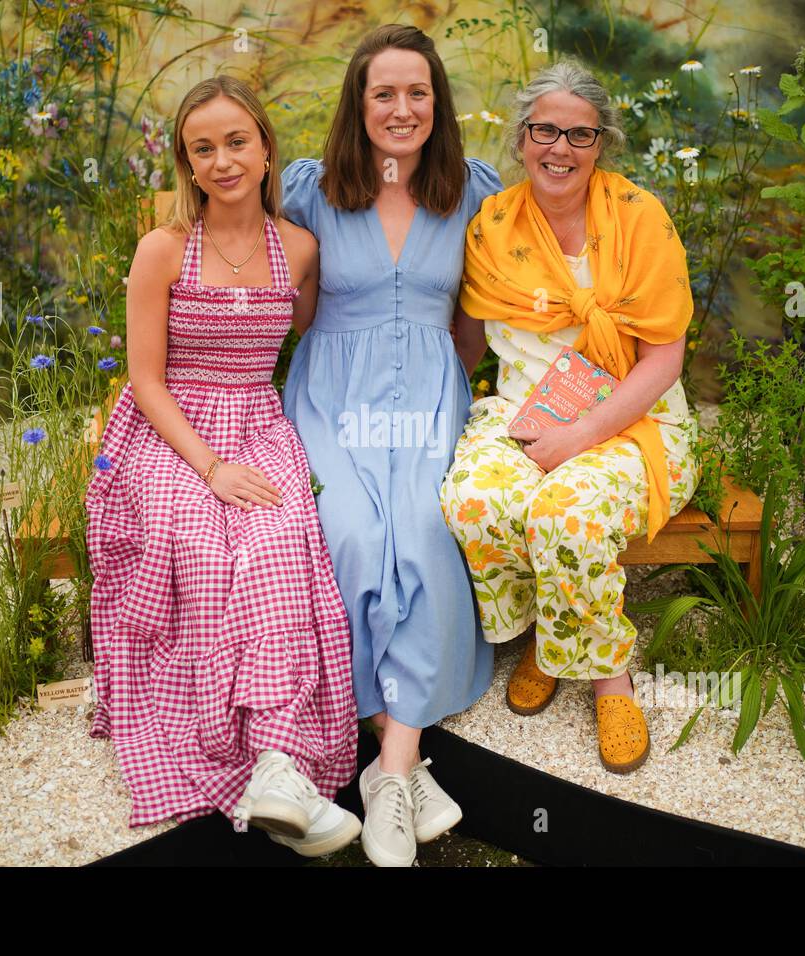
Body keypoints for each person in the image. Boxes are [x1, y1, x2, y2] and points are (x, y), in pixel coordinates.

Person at [85, 75, 361, 858]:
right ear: (187, 162)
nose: (222, 159)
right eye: (202, 148)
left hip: (257, 422)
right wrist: (207, 468)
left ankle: (279, 761)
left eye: (237, 141)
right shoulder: (163, 249)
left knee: (277, 546)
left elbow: (315, 334)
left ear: (267, 147)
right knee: (203, 547)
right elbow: (145, 378)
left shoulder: (299, 247)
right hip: (169, 430)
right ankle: (250, 759)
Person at [280, 24, 502, 866]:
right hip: (333, 398)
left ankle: (390, 766)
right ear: (359, 103)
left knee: (423, 529)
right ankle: (404, 766)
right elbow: (270, 289)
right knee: (352, 534)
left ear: (437, 102)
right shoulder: (311, 192)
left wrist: (447, 390)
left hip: (432, 399)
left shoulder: (471, 191)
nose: (402, 108)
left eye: (418, 92)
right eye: (385, 93)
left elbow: (472, 329)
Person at [441, 59, 701, 774]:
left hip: (634, 420)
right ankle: (545, 640)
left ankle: (609, 679)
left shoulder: (640, 218)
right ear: (522, 139)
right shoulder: (493, 223)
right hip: (527, 409)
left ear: (601, 143)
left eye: (579, 135)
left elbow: (664, 360)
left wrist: (581, 436)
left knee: (567, 512)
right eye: (545, 130)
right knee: (473, 499)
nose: (560, 148)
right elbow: (465, 337)